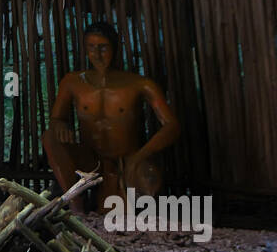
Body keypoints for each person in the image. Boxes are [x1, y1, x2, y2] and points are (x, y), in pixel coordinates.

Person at [43, 21, 180, 212]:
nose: (97, 54)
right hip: (89, 160)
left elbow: (172, 126)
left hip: (126, 160)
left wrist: (140, 156)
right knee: (49, 137)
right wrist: (60, 126)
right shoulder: (72, 82)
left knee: (142, 187)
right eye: (91, 47)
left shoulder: (139, 84)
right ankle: (75, 206)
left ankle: (125, 191)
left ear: (115, 48)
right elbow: (56, 120)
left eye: (103, 47)